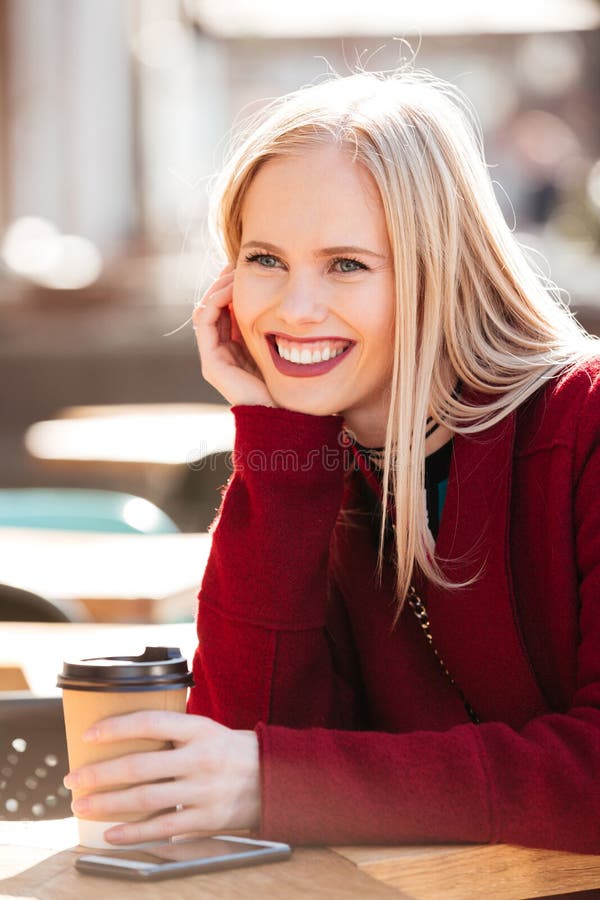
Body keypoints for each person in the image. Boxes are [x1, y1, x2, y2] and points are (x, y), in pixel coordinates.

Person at [64, 69, 600, 854]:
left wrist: (272, 779)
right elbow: (244, 746)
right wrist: (275, 445)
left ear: (442, 266)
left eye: (346, 264)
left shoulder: (583, 424)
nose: (295, 309)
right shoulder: (314, 454)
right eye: (265, 260)